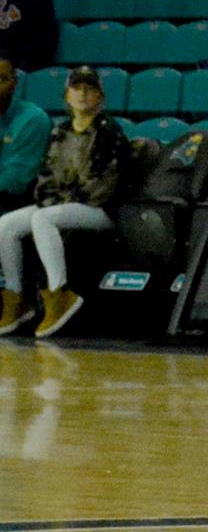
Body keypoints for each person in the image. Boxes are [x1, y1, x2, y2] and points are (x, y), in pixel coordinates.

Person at [0, 66, 129, 339]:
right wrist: (51, 198)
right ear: (67, 95)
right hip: (62, 204)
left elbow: (102, 186)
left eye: (89, 89)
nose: (82, 94)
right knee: (6, 224)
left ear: (100, 96)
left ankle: (59, 293)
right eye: (76, 88)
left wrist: (59, 200)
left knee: (43, 218)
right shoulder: (60, 131)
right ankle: (15, 296)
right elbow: (46, 176)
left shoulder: (108, 131)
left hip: (100, 209)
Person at [0, 56, 53, 215]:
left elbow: (16, 181)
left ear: (14, 82)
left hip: (17, 203)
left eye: (1, 79)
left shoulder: (33, 119)